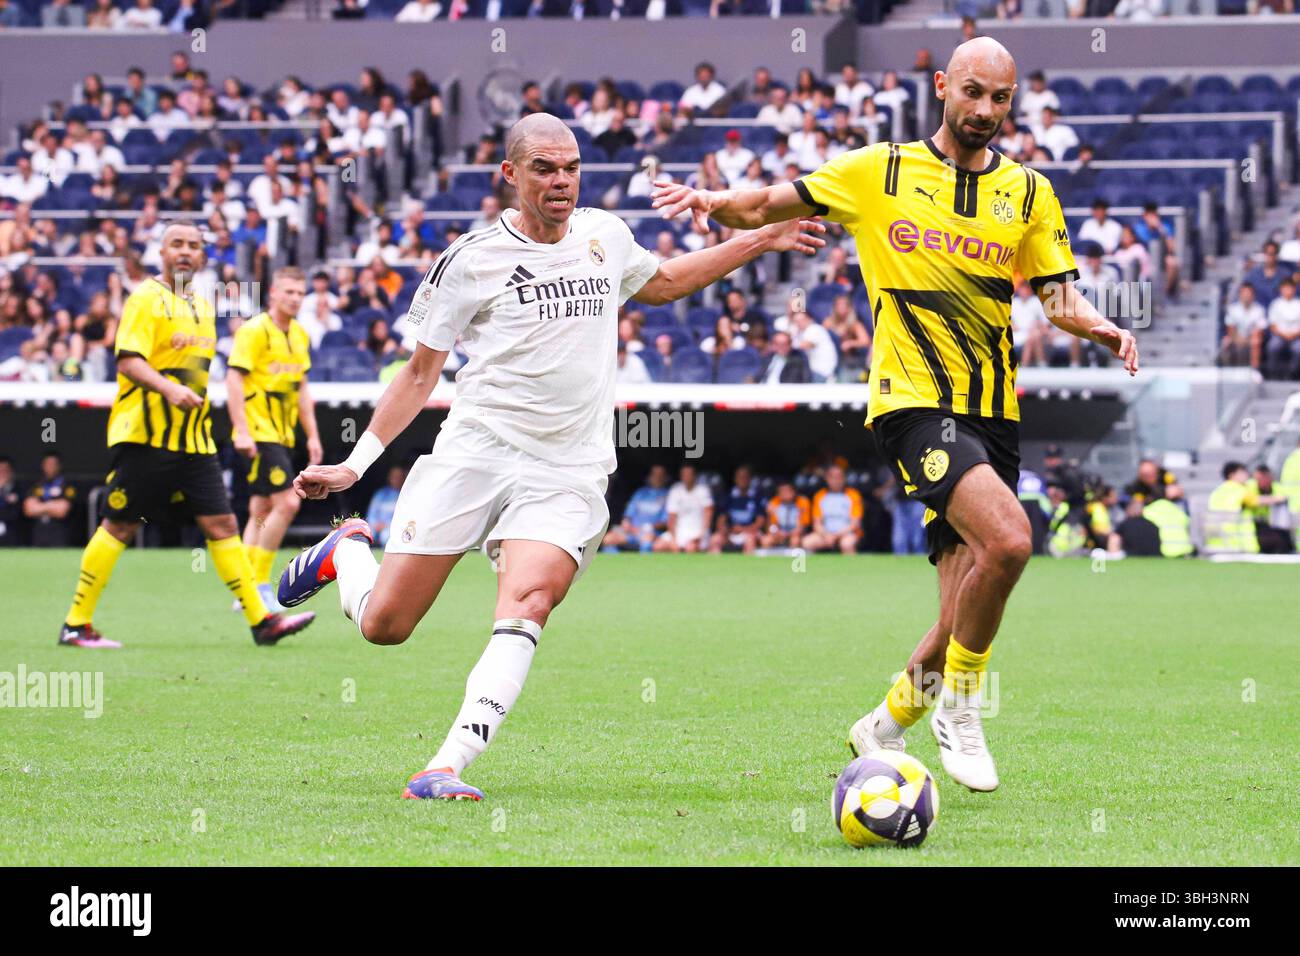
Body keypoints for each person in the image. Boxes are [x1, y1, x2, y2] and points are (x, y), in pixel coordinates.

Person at [276, 113, 824, 801]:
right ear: (510, 174)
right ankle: (346, 551)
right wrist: (353, 468)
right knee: (386, 626)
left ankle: (443, 766)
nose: (560, 181)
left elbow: (664, 284)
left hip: (567, 467)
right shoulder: (469, 260)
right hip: (477, 450)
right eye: (543, 168)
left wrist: (761, 237)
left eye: (569, 168)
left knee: (530, 599)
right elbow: (418, 376)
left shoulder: (606, 235)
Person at [652, 36, 1139, 793]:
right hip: (912, 401)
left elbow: (1055, 296)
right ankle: (963, 709)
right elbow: (768, 201)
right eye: (972, 92)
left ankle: (883, 726)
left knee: (958, 612)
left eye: (1000, 98)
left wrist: (1101, 326)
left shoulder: (1031, 193)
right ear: (943, 86)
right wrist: (713, 201)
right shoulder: (875, 171)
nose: (984, 110)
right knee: (1010, 542)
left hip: (993, 411)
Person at [56, 223, 314, 649]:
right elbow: (127, 361)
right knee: (119, 526)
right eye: (177, 244)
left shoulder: (203, 306)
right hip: (146, 436)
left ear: (203, 256)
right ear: (161, 251)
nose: (185, 252)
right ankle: (76, 623)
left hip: (195, 442)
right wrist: (170, 389)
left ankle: (261, 621)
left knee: (224, 523)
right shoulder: (144, 297)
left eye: (194, 246)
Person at [226, 267, 322, 609]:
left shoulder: (300, 335)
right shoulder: (254, 331)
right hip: (259, 433)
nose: (295, 298)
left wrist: (312, 435)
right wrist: (240, 430)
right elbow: (234, 380)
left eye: (300, 293)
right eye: (289, 292)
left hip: (283, 435)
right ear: (274, 295)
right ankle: (260, 584)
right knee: (289, 502)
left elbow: (302, 390)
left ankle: (246, 590)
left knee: (261, 508)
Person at [602, 464, 669, 552]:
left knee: (647, 543)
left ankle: (644, 565)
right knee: (608, 539)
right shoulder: (641, 492)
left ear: (665, 477)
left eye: (660, 475)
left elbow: (666, 522)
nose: (657, 478)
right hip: (631, 531)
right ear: (650, 476)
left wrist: (648, 527)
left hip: (650, 533)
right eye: (654, 474)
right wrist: (626, 524)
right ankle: (618, 565)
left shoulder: (667, 495)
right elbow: (627, 516)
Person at [802, 465, 863, 554]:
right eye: (832, 477)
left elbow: (855, 524)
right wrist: (827, 535)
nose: (836, 480)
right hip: (825, 534)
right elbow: (817, 523)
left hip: (847, 533)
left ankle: (852, 567)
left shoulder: (853, 495)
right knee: (807, 542)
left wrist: (836, 536)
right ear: (826, 479)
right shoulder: (819, 495)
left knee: (846, 544)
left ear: (844, 478)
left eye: (839, 477)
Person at [656, 464, 714, 554]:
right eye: (684, 475)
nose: (687, 477)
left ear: (694, 476)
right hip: (679, 532)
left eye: (689, 474)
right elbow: (671, 517)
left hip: (697, 532)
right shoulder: (675, 490)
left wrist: (702, 534)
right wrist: (673, 539)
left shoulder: (703, 490)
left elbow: (708, 513)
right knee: (658, 546)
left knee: (690, 548)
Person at [23, 452, 77, 547]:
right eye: (48, 464)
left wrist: (40, 506)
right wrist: (52, 505)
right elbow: (29, 510)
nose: (50, 467)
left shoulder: (67, 486)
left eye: (53, 464)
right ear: (43, 466)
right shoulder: (36, 486)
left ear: (59, 466)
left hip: (59, 533)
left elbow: (62, 511)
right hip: (39, 533)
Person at [1204, 462, 1260, 554]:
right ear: (1231, 475)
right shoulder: (1238, 489)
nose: (1246, 475)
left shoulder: (1219, 490)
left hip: (1217, 539)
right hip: (1237, 540)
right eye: (1242, 472)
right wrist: (1280, 498)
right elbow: (1254, 501)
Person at [710, 465, 763, 554]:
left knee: (750, 540)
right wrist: (723, 530)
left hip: (749, 533)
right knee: (715, 539)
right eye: (740, 477)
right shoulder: (729, 496)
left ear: (750, 479)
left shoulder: (756, 496)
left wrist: (743, 529)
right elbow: (722, 518)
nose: (742, 479)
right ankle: (715, 567)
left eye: (745, 477)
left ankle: (748, 567)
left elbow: (760, 521)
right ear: (735, 478)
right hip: (731, 533)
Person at [366, 464, 408, 547]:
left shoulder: (406, 495)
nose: (396, 479)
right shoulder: (380, 494)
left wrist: (386, 525)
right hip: (376, 526)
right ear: (389, 477)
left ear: (404, 478)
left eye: (399, 477)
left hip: (393, 528)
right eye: (394, 477)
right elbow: (371, 513)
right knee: (367, 533)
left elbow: (405, 517)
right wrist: (375, 524)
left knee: (385, 536)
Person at [760, 480, 809, 550]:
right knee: (766, 540)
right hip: (779, 534)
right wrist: (776, 532)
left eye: (787, 491)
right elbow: (771, 527)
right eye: (782, 491)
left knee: (795, 540)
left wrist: (787, 535)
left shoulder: (802, 502)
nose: (785, 494)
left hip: (795, 535)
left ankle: (792, 560)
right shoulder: (774, 503)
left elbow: (802, 527)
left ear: (793, 492)